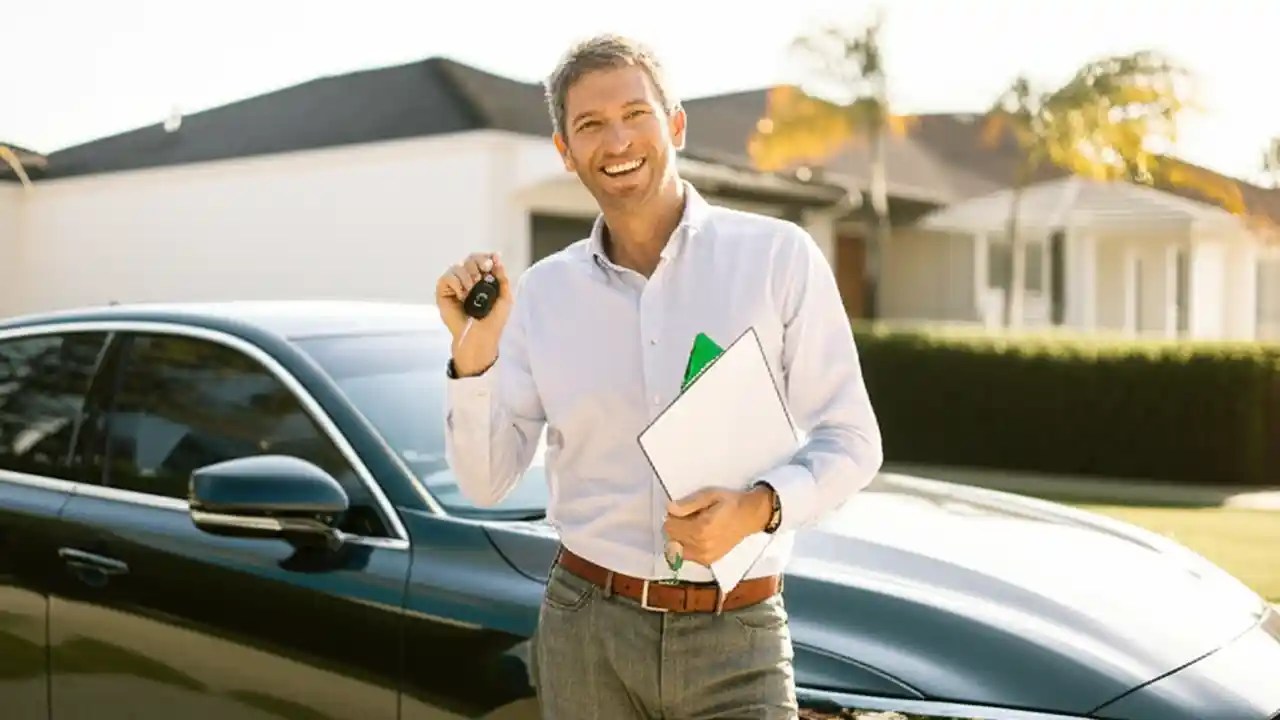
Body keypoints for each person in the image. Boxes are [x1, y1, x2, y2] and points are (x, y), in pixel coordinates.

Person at [437, 33, 883, 720]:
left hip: (738, 632)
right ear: (565, 151)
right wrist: (474, 355)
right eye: (589, 125)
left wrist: (757, 507)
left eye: (635, 115)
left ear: (673, 124)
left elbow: (852, 440)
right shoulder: (545, 294)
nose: (616, 141)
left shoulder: (776, 259)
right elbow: (485, 479)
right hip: (586, 631)